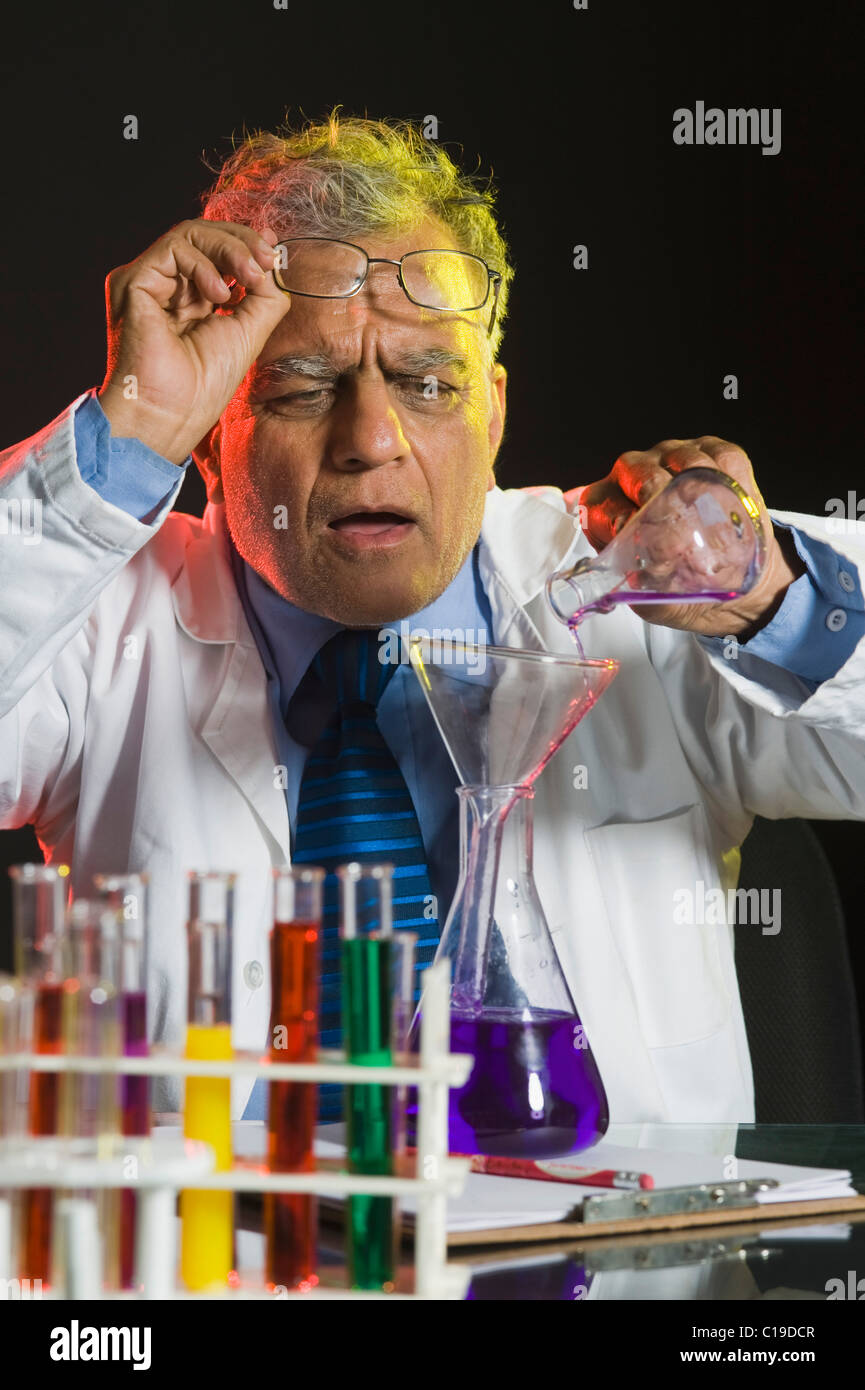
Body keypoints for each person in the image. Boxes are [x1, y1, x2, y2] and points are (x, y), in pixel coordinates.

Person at [1, 111, 864, 1126]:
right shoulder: (102, 615)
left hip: (621, 1267)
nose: (371, 439)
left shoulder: (639, 586)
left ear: (493, 415)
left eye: (426, 383)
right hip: (232, 1267)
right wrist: (131, 425)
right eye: (300, 387)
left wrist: (768, 598)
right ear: (210, 435)